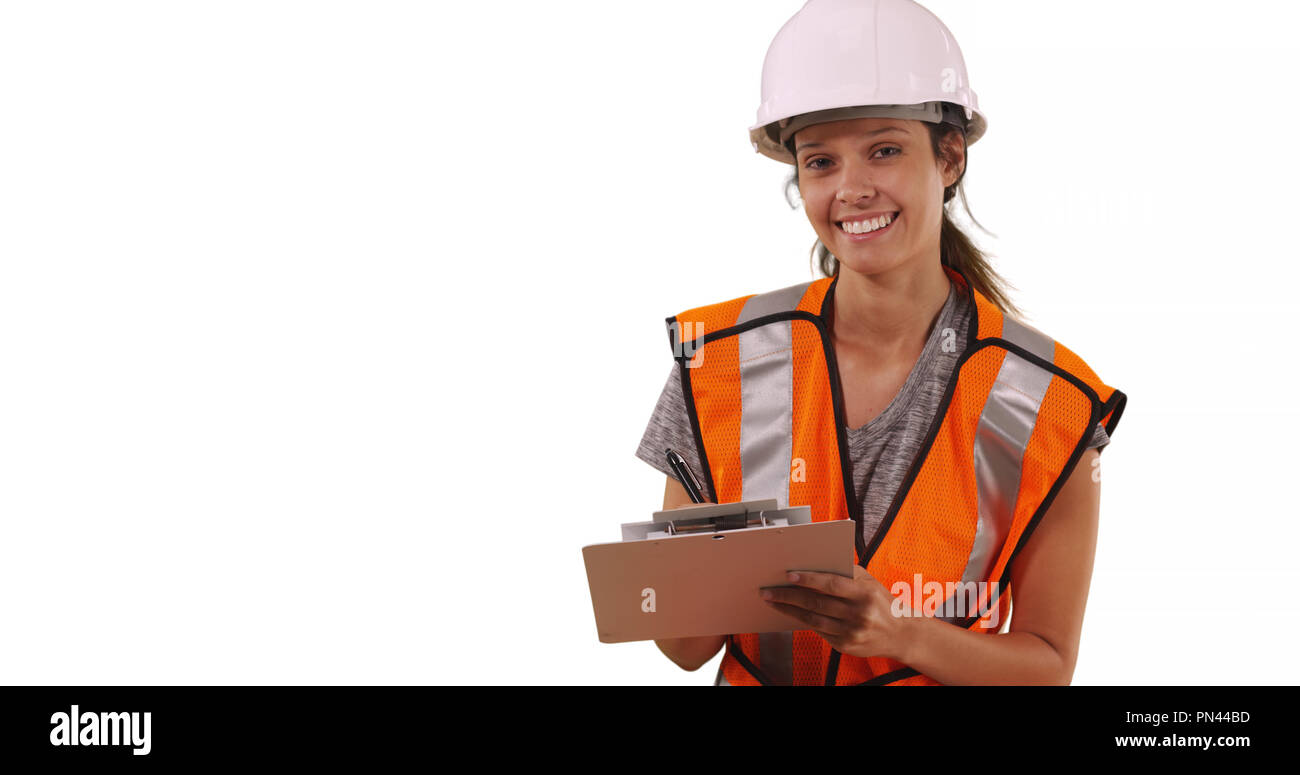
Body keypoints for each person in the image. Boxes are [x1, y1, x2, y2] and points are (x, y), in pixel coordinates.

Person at [633, 0, 1126, 685]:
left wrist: (894, 631)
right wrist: (724, 569)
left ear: (949, 156)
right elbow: (683, 649)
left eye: (884, 150)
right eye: (821, 161)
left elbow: (1046, 666)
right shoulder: (718, 362)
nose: (851, 189)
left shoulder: (1053, 402)